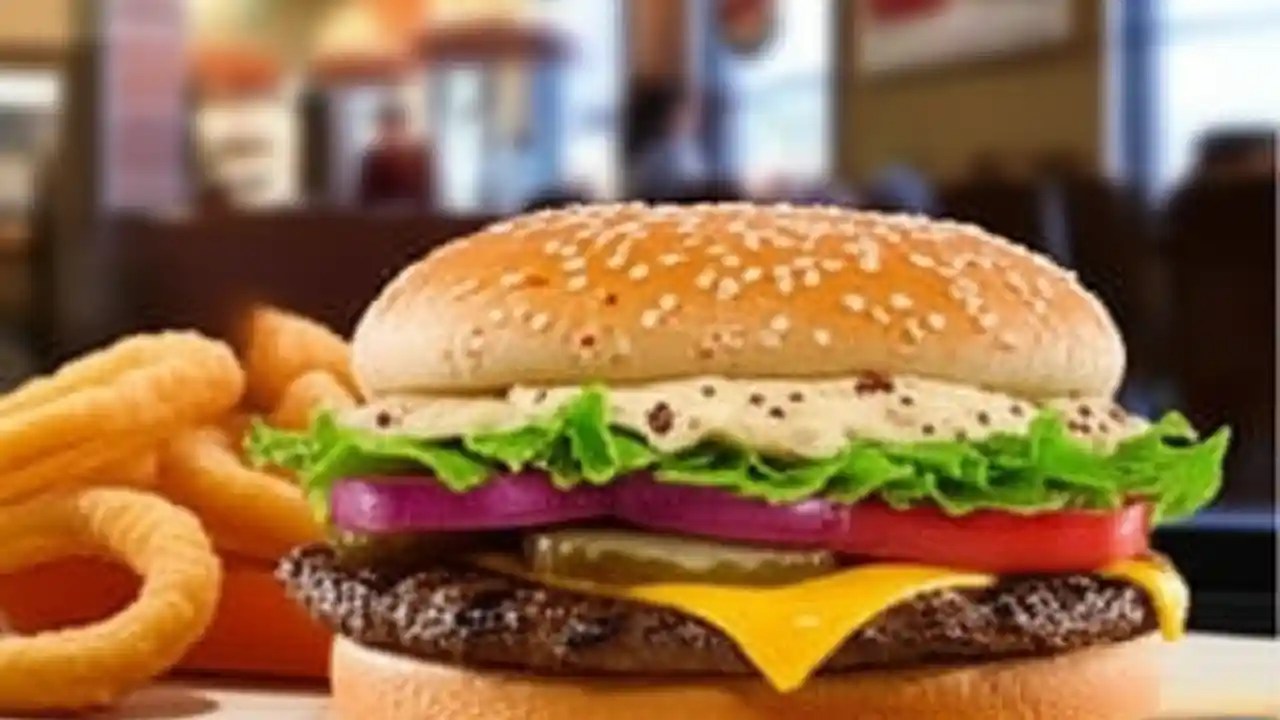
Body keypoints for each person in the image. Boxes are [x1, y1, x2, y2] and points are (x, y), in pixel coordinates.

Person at [623, 80, 708, 200]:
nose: (694, 119)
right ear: (669, 115)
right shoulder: (653, 155)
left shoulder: (691, 149)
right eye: (685, 112)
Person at [358, 103, 432, 209]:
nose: (392, 131)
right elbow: (365, 198)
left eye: (395, 125)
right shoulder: (373, 158)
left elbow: (425, 196)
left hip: (413, 218)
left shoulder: (419, 156)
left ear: (403, 125)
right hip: (379, 218)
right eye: (388, 125)